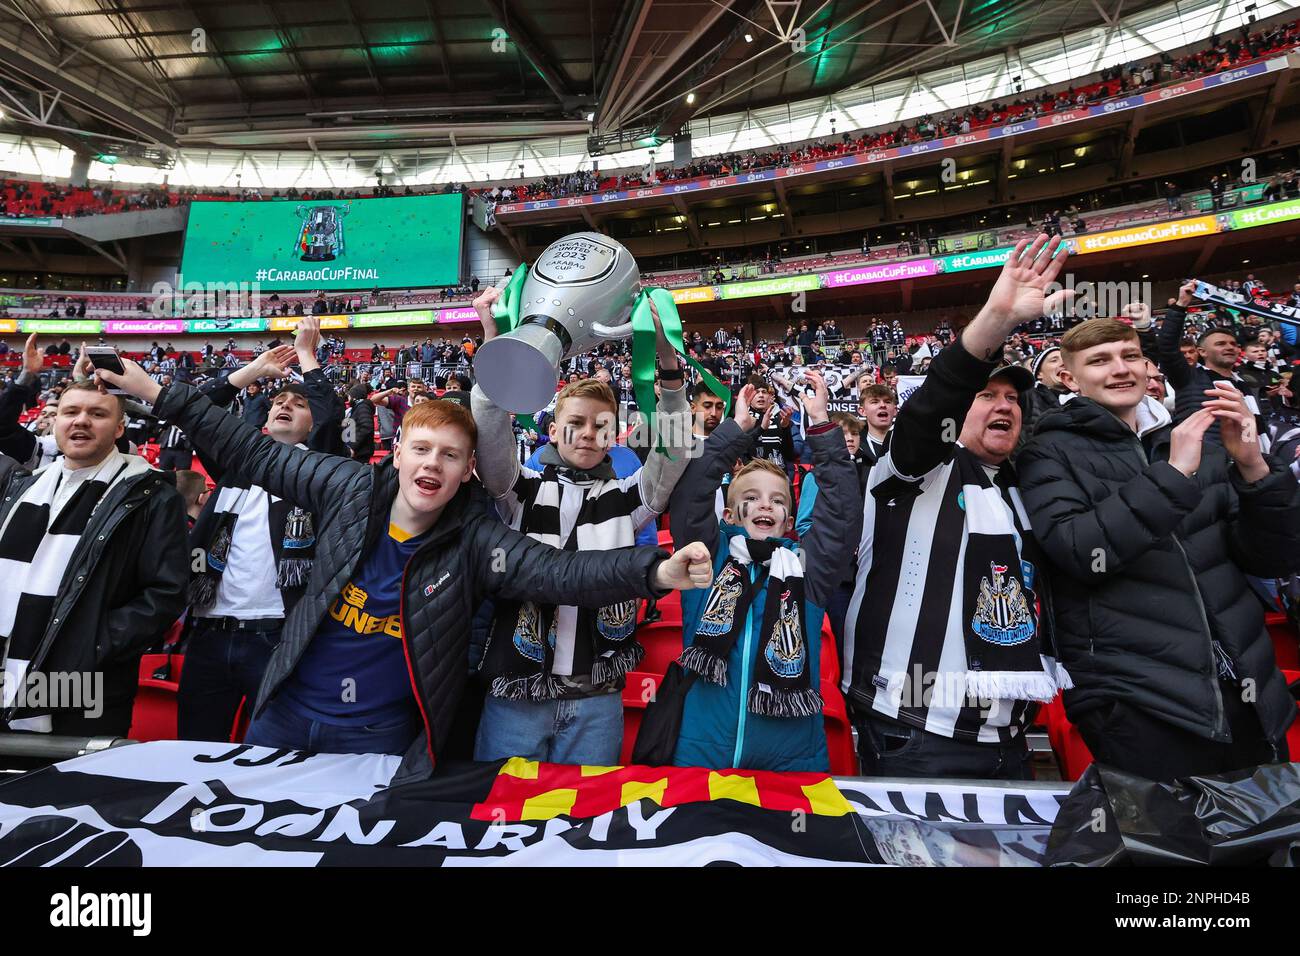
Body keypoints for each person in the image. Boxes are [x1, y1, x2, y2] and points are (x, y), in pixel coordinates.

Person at [96, 359, 714, 770]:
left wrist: (655, 572)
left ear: (467, 469)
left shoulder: (483, 536)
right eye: (421, 448)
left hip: (400, 735)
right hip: (289, 717)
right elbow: (248, 450)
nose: (433, 465)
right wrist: (154, 391)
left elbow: (562, 572)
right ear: (397, 451)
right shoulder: (356, 489)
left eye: (450, 455)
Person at [1018, 318, 1300, 781]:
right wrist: (1172, 475)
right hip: (1140, 700)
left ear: (1148, 366)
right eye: (1100, 361)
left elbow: (1270, 558)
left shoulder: (1196, 440)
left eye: (1130, 356)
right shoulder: (1046, 451)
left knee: (1262, 844)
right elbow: (1082, 553)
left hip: (1246, 689)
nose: (1120, 369)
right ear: (1069, 377)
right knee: (1175, 850)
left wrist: (1253, 468)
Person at [842, 234, 1075, 779]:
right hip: (915, 730)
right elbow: (930, 410)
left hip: (1010, 735)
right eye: (987, 395)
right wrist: (995, 320)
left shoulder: (1027, 487)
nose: (1004, 405)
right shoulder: (916, 468)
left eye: (1012, 398)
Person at [469, 286, 694, 765]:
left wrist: (668, 361)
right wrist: (495, 340)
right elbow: (488, 426)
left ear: (614, 435)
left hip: (597, 700)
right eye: (576, 423)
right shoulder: (518, 487)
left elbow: (674, 449)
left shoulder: (629, 496)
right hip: (516, 700)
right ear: (552, 429)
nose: (589, 434)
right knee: (500, 822)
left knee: (586, 829)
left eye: (601, 426)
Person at [667, 374, 860, 770]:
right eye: (750, 498)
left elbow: (842, 515)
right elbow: (690, 495)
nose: (764, 507)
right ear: (729, 513)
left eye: (776, 500)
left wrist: (822, 426)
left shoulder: (808, 569)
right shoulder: (707, 555)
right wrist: (735, 430)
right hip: (701, 755)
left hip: (791, 761)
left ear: (788, 517)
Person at [178, 331, 344, 743]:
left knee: (268, 758)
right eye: (278, 402)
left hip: (277, 638)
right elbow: (194, 409)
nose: (285, 404)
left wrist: (306, 355)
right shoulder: (234, 466)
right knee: (194, 753)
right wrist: (251, 371)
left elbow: (331, 413)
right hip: (208, 635)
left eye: (298, 404)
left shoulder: (323, 474)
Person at [0, 380, 187, 736]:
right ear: (55, 422)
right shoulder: (21, 485)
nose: (81, 421)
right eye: (71, 412)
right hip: (5, 671)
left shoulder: (152, 495)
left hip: (85, 685)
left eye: (97, 413)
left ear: (119, 428)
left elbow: (165, 594)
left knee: (65, 787)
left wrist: (91, 644)